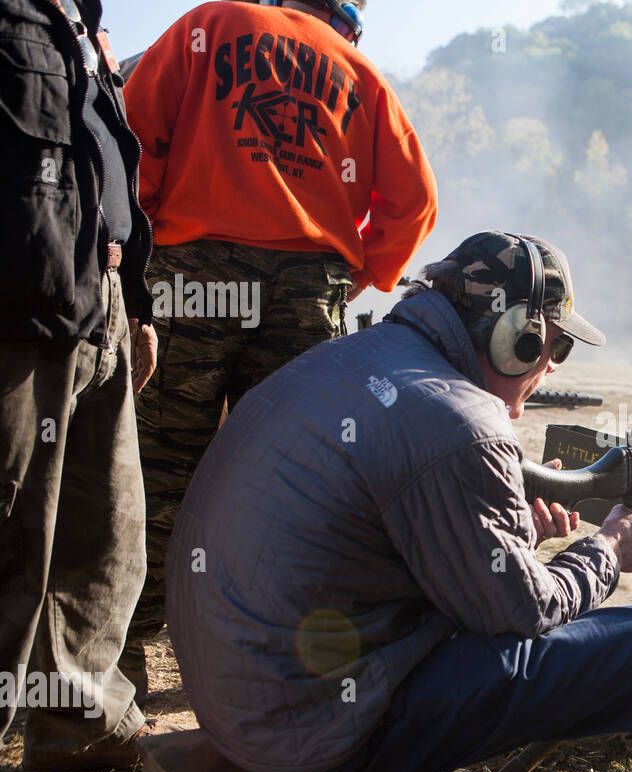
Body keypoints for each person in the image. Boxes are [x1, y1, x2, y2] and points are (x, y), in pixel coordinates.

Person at [165, 231, 632, 772]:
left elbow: (365, 544)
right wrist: (607, 549)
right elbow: (518, 613)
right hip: (319, 746)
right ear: (514, 334)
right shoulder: (461, 421)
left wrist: (508, 535)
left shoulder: (343, 362)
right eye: (556, 345)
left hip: (242, 703)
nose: (552, 366)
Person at [120, 0, 438, 694]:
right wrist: (357, 274)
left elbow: (131, 135)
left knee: (160, 464)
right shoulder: (361, 73)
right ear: (347, 19)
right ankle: (272, 663)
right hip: (304, 286)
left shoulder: (213, 23)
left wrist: (142, 240)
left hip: (192, 273)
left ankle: (125, 659)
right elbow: (414, 203)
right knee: (295, 480)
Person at [0, 0, 172, 772]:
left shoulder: (73, 18)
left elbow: (103, 165)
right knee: (11, 540)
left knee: (106, 534)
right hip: (15, 307)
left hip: (94, 292)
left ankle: (78, 723)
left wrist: (133, 300)